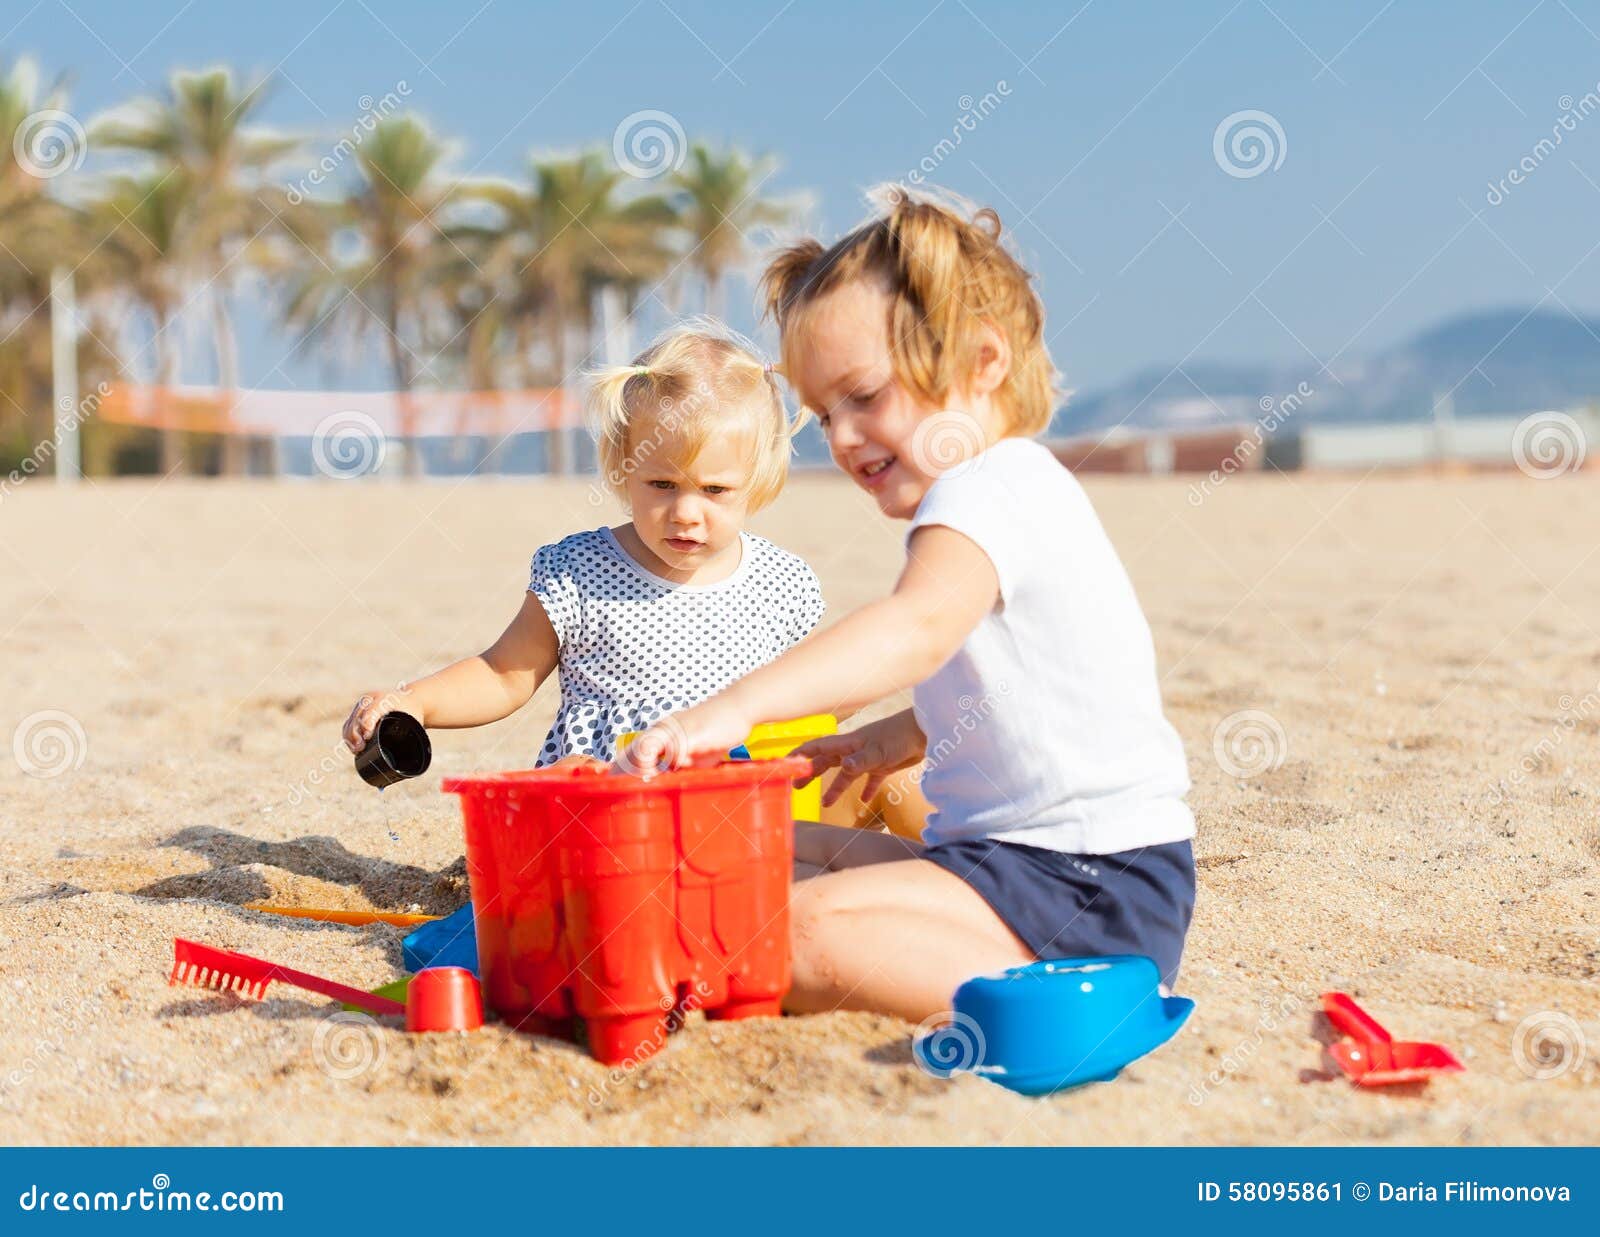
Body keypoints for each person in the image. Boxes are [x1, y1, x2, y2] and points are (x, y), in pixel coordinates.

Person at [625, 188, 1196, 1022]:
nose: (845, 436)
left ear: (982, 361)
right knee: (763, 851)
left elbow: (917, 629)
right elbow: (1025, 683)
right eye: (824, 414)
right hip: (1018, 869)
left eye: (864, 396)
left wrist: (730, 711)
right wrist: (888, 739)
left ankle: (1071, 1001)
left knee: (792, 933)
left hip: (1087, 887)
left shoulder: (988, 487)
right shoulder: (1003, 491)